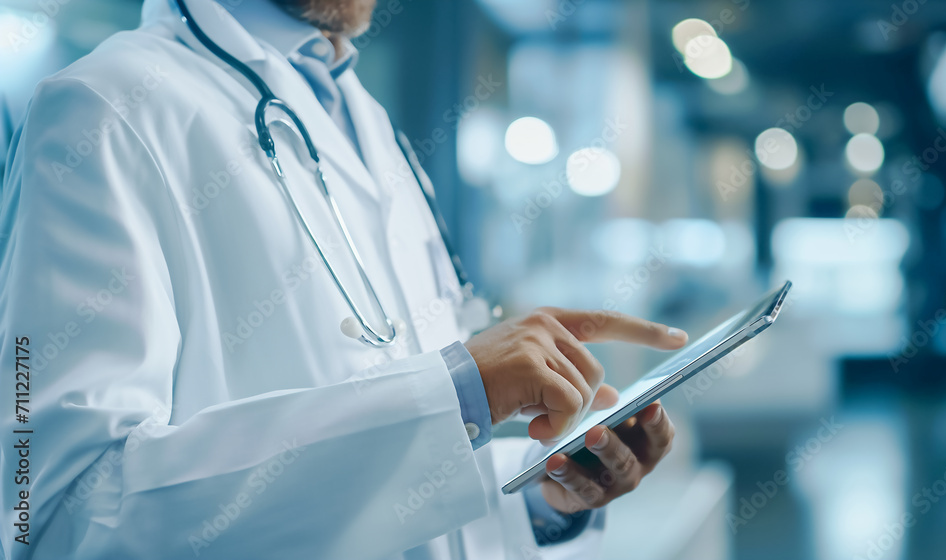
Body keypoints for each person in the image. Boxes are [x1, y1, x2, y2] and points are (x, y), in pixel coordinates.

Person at [0, 0, 688, 558]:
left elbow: (394, 475)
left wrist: (546, 499)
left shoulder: (362, 117)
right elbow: (57, 518)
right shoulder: (103, 107)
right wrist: (455, 390)